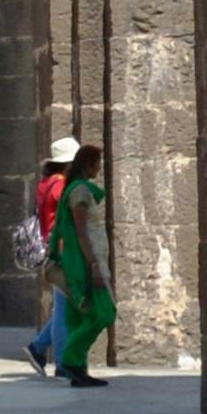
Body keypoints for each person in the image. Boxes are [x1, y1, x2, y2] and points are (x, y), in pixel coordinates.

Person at [42, 141, 115, 386]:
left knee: (77, 316)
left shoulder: (76, 189)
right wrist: (93, 264)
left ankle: (78, 369)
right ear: (87, 165)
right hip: (83, 262)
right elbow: (81, 231)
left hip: (80, 260)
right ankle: (72, 361)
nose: (99, 168)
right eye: (97, 163)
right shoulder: (80, 193)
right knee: (103, 312)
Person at [21, 130, 74, 370]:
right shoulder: (60, 187)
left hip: (52, 247)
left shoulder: (46, 184)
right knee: (64, 307)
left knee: (65, 305)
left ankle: (38, 347)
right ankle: (61, 363)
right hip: (62, 249)